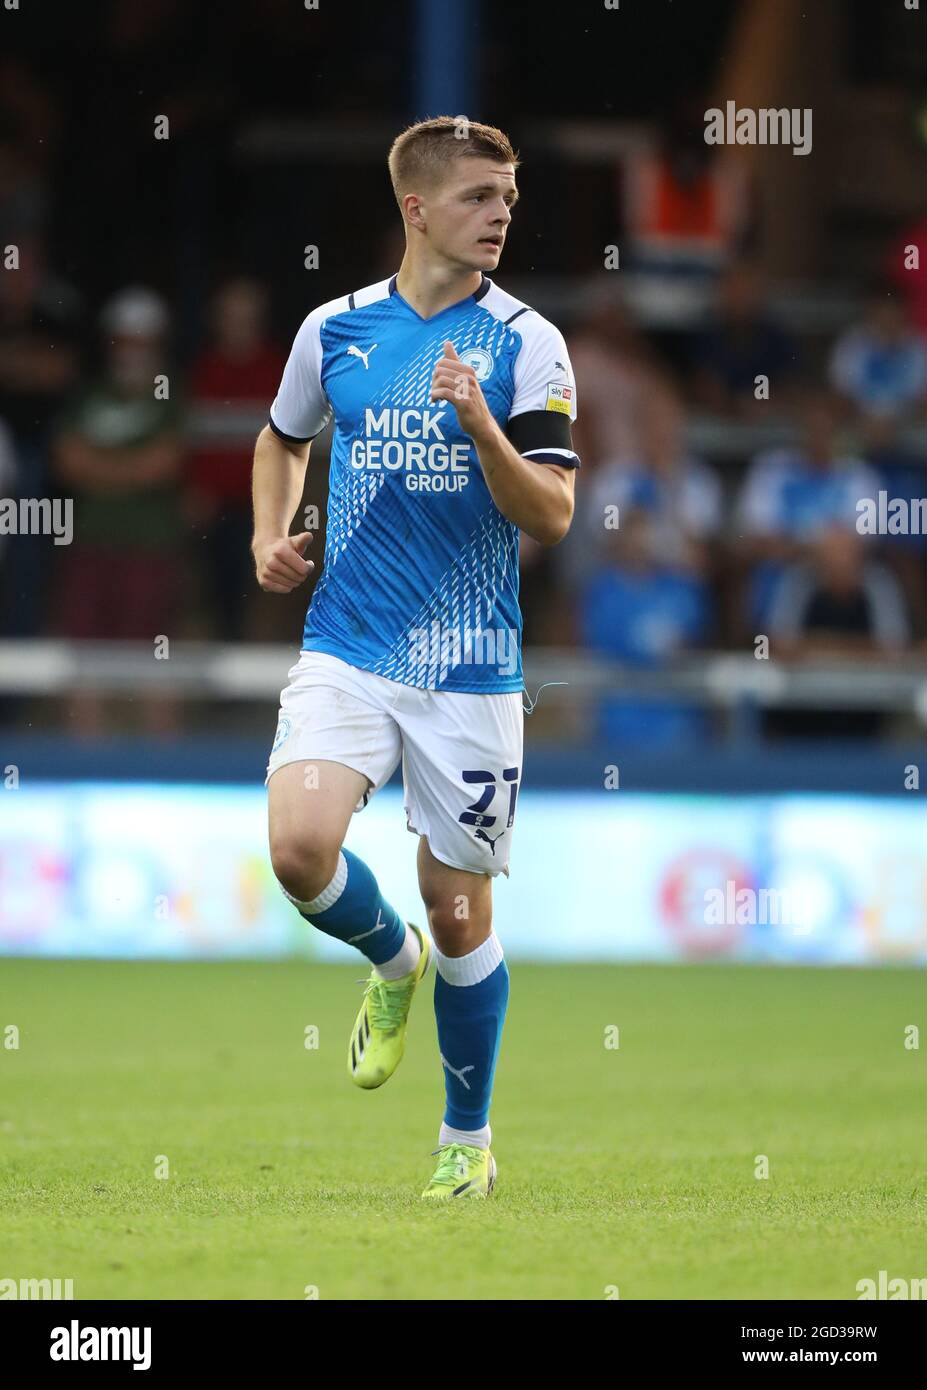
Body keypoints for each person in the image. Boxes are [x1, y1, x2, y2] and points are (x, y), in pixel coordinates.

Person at [252, 117, 579, 1200]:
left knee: (462, 908)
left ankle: (467, 1145)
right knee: (300, 849)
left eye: (509, 198)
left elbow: (556, 512)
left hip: (472, 667)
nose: (501, 215)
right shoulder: (333, 332)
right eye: (483, 196)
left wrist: (482, 425)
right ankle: (391, 960)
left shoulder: (529, 342)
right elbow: (281, 436)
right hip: (347, 642)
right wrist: (270, 532)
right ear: (418, 209)